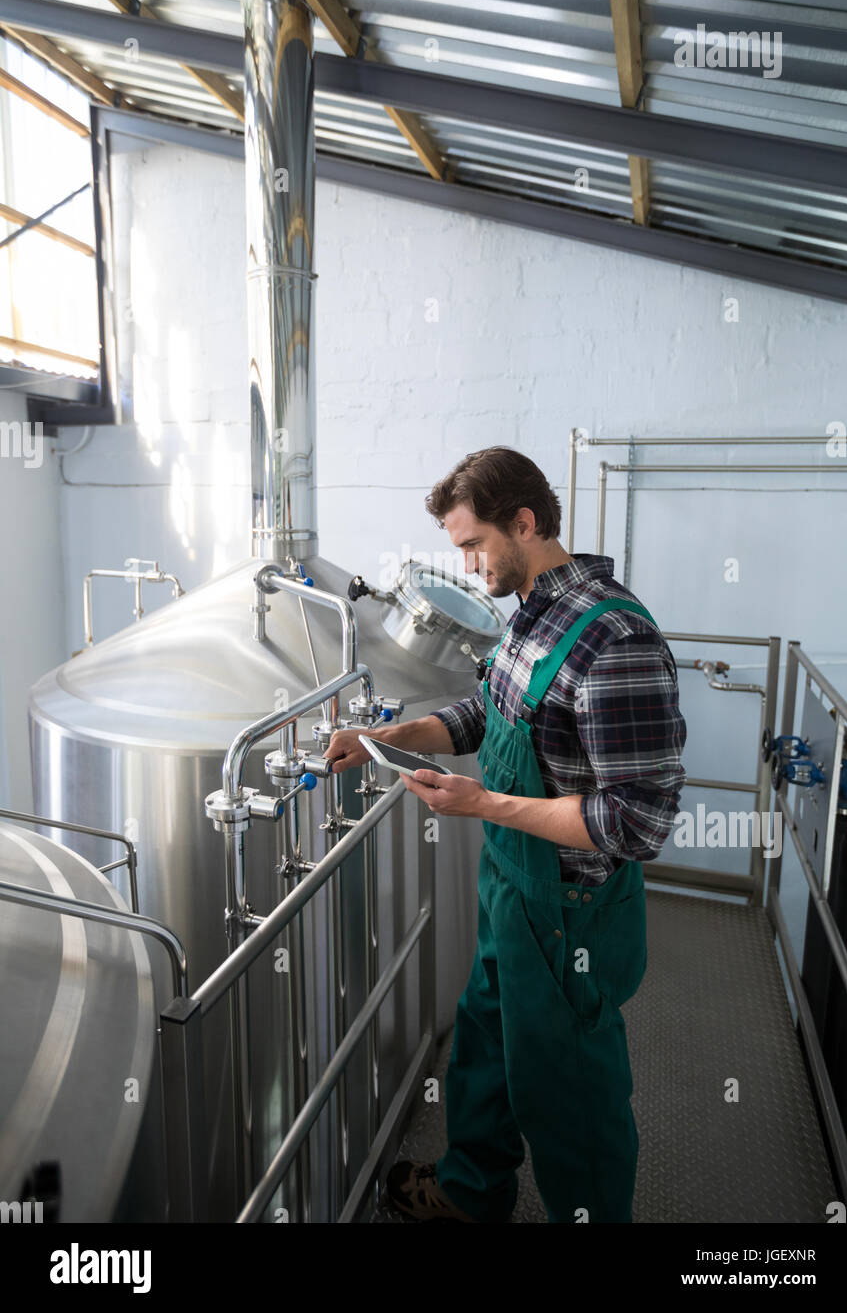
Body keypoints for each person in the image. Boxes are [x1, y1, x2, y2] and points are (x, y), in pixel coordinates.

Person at [325, 446, 687, 1223]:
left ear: (524, 523)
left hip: (569, 921)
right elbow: (486, 713)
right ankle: (469, 1193)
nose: (466, 563)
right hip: (512, 896)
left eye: (472, 544)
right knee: (484, 1056)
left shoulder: (614, 640)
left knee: (570, 1102)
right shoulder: (532, 613)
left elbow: (636, 822)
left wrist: (484, 805)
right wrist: (387, 735)